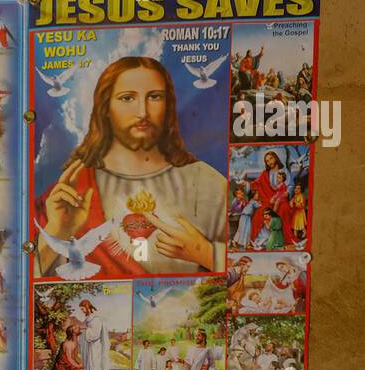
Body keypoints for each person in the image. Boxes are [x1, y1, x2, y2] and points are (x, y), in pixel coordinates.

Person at [36, 57, 227, 280]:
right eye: (127, 98)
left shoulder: (206, 182)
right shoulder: (71, 189)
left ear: (168, 105)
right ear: (105, 107)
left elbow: (252, 263)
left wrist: (206, 253)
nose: (143, 112)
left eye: (155, 97)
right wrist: (57, 231)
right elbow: (26, 287)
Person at [77, 298, 110, 370]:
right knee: (88, 369)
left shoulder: (96, 318)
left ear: (87, 307)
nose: (82, 311)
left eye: (82, 309)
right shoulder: (89, 318)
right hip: (89, 348)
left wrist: (83, 330)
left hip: (95, 348)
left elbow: (94, 335)